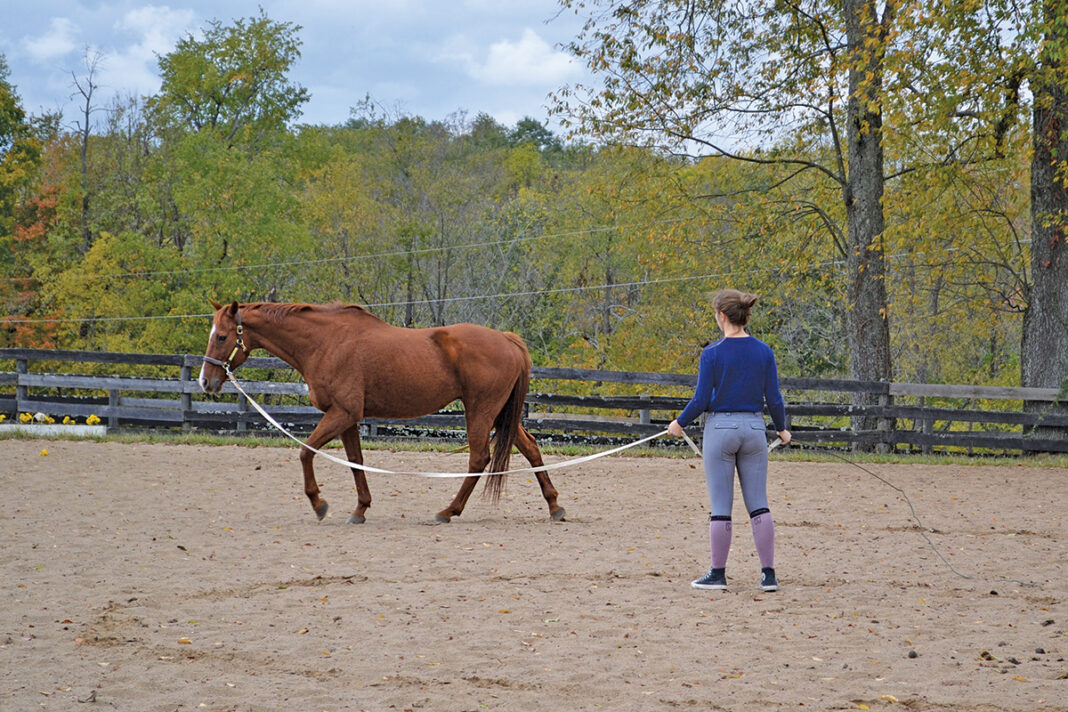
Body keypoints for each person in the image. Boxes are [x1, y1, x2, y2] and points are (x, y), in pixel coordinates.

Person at [667, 289, 791, 592]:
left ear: (722, 316)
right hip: (754, 430)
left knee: (721, 505)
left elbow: (700, 400)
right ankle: (768, 575)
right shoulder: (764, 352)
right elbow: (773, 398)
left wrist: (678, 423)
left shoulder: (712, 354)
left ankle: (718, 573)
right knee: (759, 504)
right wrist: (782, 428)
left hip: (721, 431)